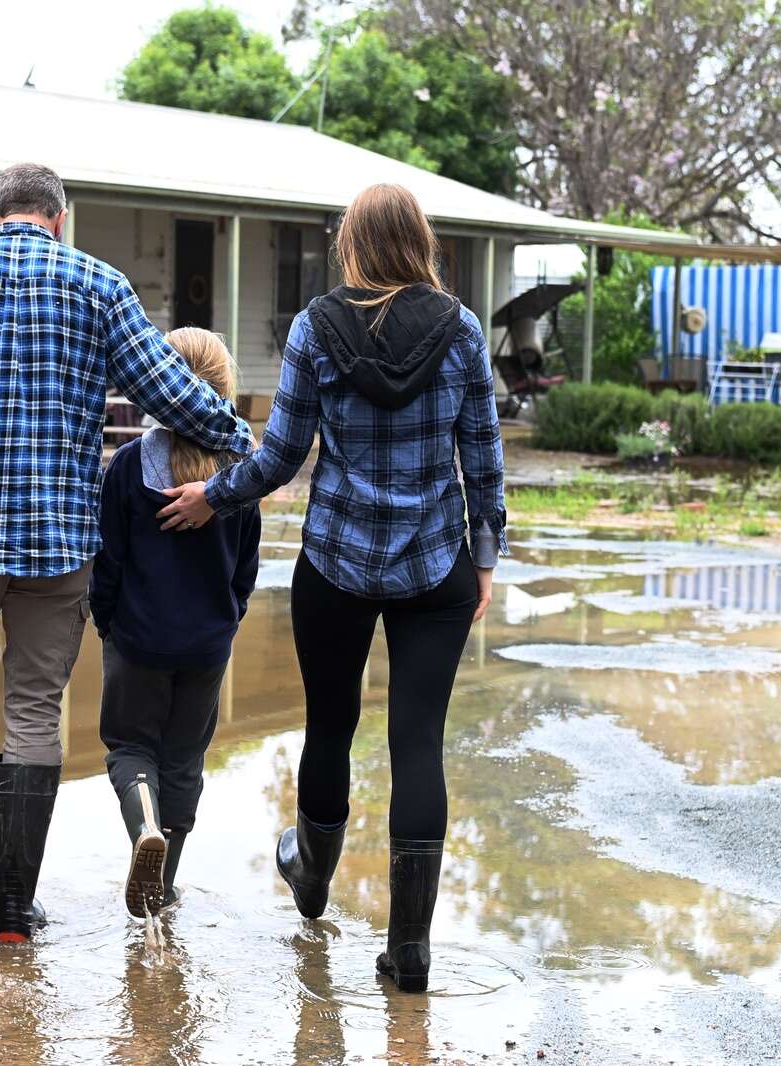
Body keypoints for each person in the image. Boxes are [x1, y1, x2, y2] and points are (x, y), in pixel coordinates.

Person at [0, 163, 253, 944]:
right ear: (61, 219)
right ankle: (13, 915)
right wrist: (244, 445)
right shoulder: (99, 286)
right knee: (35, 704)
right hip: (55, 538)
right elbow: (167, 389)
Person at [157, 183, 506, 992]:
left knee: (331, 728)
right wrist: (481, 557)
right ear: (420, 241)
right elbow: (483, 460)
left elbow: (281, 457)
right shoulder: (462, 333)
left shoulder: (317, 326)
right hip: (434, 568)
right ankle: (409, 951)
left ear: (353, 243)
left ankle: (311, 878)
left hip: (336, 565)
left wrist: (212, 494)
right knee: (419, 741)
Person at [90, 328, 261, 919]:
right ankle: (162, 887)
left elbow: (106, 561)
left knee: (131, 747)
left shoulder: (130, 466)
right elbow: (246, 568)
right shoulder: (240, 474)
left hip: (137, 640)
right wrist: (227, 622)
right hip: (206, 648)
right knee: (185, 761)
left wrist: (107, 623)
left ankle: (144, 832)